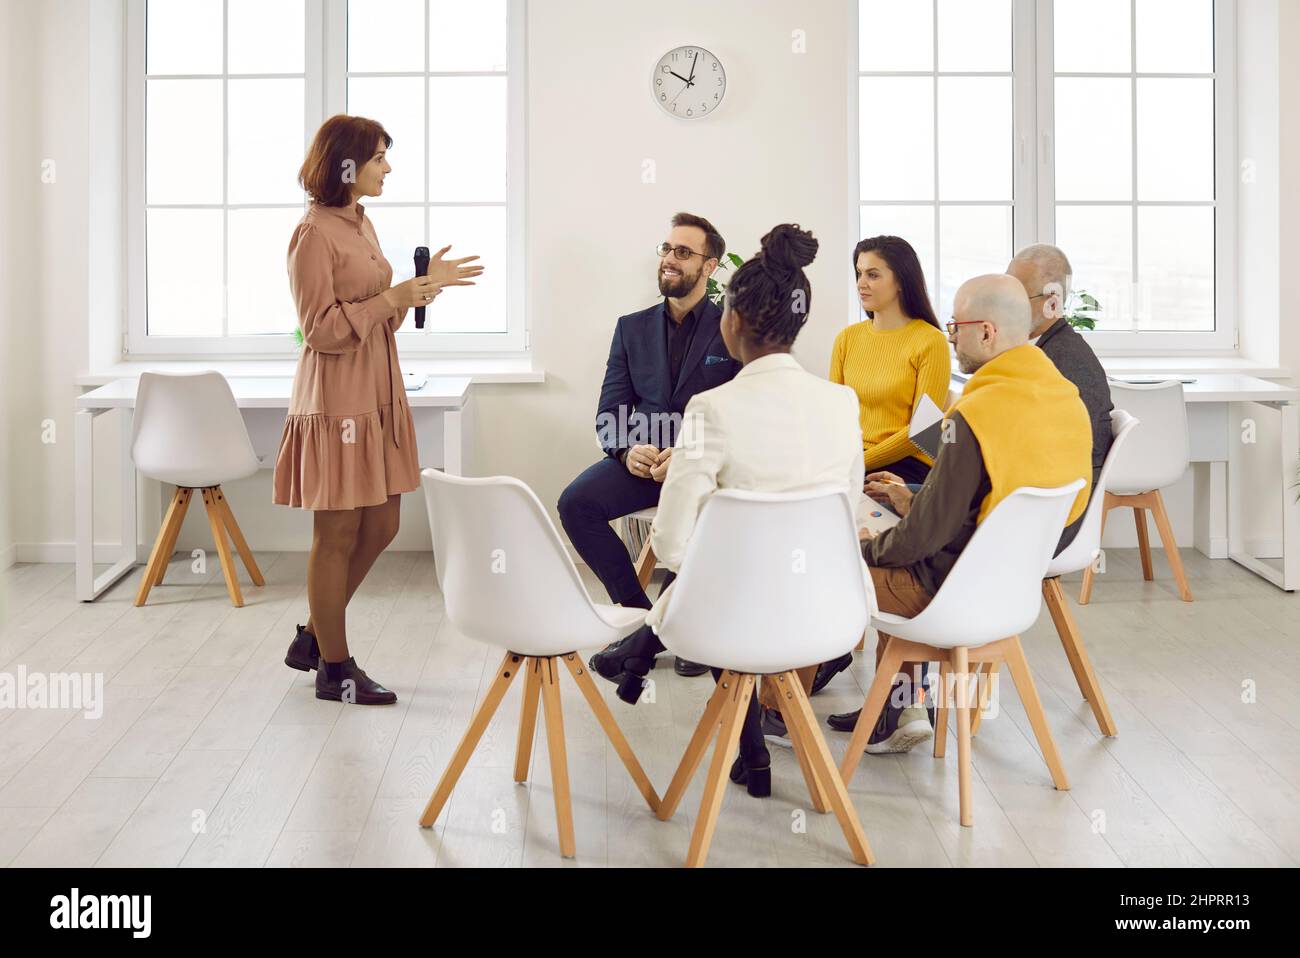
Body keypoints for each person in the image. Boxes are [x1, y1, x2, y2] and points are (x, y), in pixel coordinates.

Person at [590, 223, 870, 798]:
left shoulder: (711, 409)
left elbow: (670, 546)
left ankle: (742, 742)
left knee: (712, 584)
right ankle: (753, 754)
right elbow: (846, 505)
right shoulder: (842, 404)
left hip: (734, 620)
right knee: (726, 583)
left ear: (732, 321)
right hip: (827, 612)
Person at [826, 274, 1093, 753]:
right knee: (889, 539)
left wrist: (863, 548)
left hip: (948, 592)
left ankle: (774, 717)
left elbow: (919, 541)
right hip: (1011, 589)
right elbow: (993, 496)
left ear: (987, 332)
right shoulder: (1062, 397)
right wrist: (914, 497)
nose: (950, 336)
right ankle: (901, 708)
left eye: (956, 326)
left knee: (825, 564)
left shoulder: (978, 411)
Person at [274, 115, 483, 705]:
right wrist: (392, 298)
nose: (387, 168)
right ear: (348, 164)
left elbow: (375, 312)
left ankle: (314, 635)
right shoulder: (312, 234)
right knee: (336, 530)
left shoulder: (360, 222)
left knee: (385, 522)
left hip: (377, 386)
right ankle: (334, 668)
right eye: (379, 158)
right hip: (338, 395)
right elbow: (318, 331)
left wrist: (419, 289)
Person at [559, 212, 740, 679]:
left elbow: (742, 415)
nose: (670, 260)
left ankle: (684, 624)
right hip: (644, 459)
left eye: (683, 252)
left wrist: (691, 455)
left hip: (705, 468)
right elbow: (610, 409)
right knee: (576, 503)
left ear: (711, 265)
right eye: (666, 249)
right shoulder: (631, 327)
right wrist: (627, 450)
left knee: (715, 519)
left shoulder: (735, 330)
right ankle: (642, 618)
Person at [813, 235, 951, 695]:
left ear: (901, 280)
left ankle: (899, 699)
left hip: (904, 474)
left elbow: (923, 431)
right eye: (858, 273)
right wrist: (843, 464)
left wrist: (859, 464)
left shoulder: (929, 341)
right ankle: (817, 660)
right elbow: (832, 414)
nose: (862, 283)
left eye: (873, 273)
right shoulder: (848, 339)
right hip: (850, 469)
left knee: (869, 561)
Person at [1007, 243, 1114, 551]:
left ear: (1051, 301)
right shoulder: (1037, 350)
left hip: (1056, 515)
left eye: (1016, 297)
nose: (1006, 306)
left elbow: (1060, 456)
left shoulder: (1066, 359)